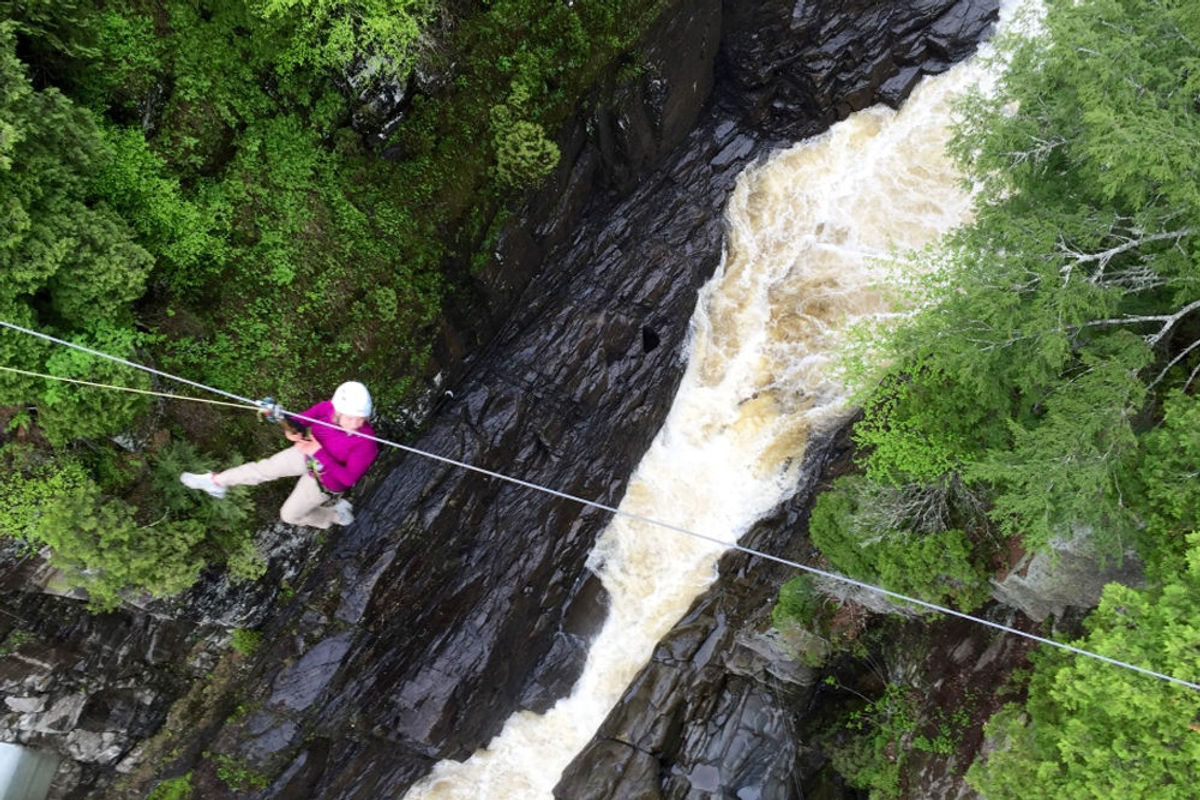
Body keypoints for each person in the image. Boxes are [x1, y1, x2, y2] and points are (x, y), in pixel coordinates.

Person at [180, 381, 379, 528]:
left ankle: (335, 515)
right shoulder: (326, 408)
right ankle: (216, 482)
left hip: (325, 479)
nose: (355, 424)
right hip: (305, 453)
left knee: (289, 515)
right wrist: (284, 423)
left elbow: (348, 479)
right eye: (350, 418)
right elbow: (300, 421)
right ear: (338, 410)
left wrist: (317, 452)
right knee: (263, 469)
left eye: (360, 419)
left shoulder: (366, 442)